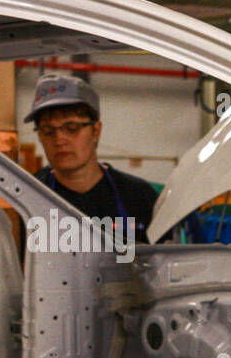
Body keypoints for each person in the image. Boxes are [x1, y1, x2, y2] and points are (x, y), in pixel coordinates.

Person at [24, 74, 160, 242]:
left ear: (96, 131)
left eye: (71, 127)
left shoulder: (139, 197)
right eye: (47, 130)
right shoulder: (28, 197)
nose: (59, 140)